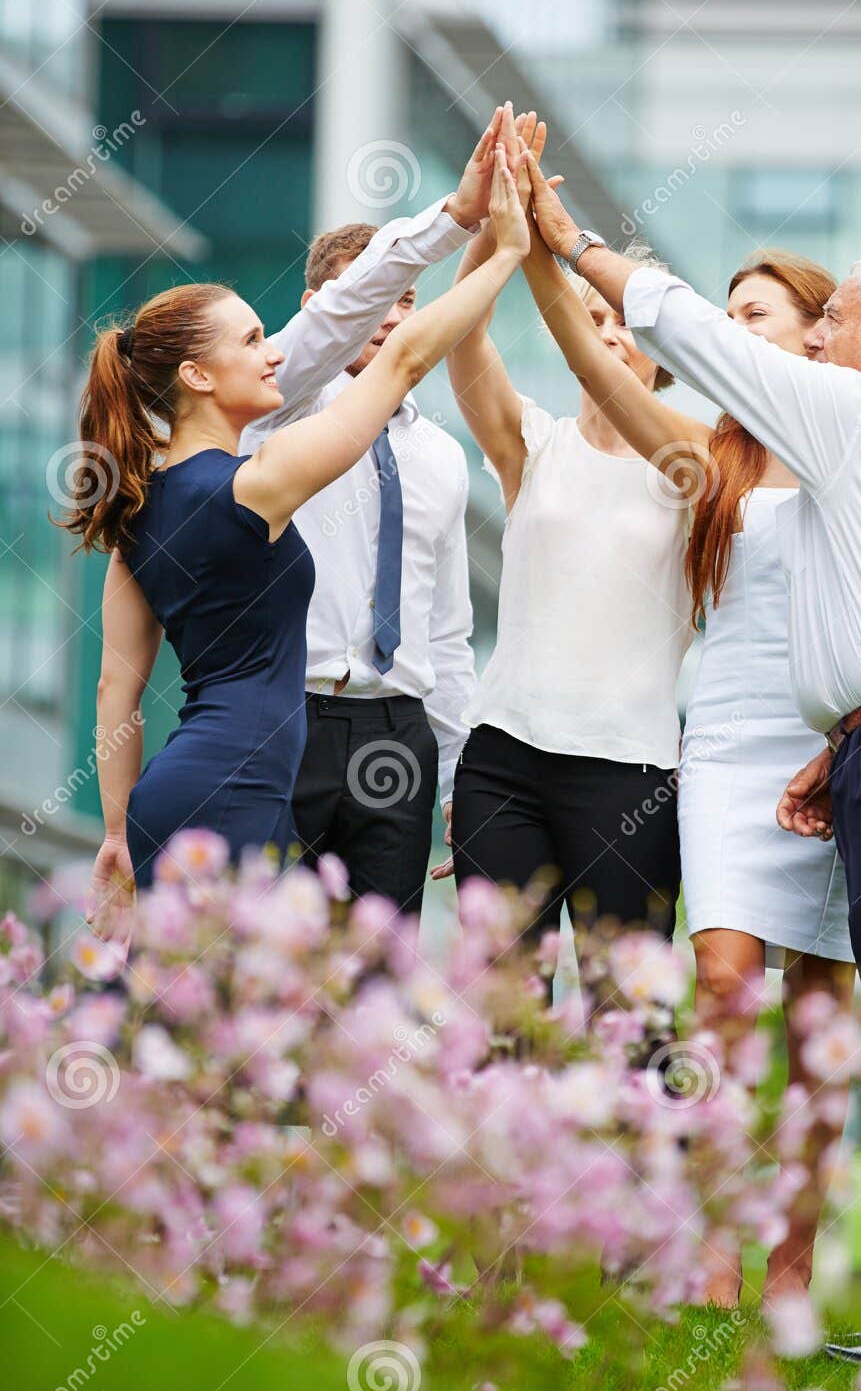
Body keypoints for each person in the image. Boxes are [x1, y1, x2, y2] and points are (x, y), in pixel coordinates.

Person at [526, 154, 861, 1375]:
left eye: (837, 319)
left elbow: (689, 332)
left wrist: (569, 236)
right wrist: (848, 733)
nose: (820, 338)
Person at [68, 144, 529, 919]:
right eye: (252, 342)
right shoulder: (260, 479)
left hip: (180, 785)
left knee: (200, 1015)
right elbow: (403, 360)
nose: (273, 352)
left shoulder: (135, 510)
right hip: (252, 780)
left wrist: (116, 827)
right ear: (198, 376)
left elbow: (118, 690)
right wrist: (502, 253)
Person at [238, 117, 508, 918]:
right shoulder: (274, 414)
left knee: (378, 969)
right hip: (289, 715)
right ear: (319, 308)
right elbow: (324, 336)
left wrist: (459, 781)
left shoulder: (442, 458)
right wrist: (460, 221)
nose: (389, 318)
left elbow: (448, 629)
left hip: (397, 733)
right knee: (270, 955)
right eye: (370, 300)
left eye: (406, 301)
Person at [444, 110, 692, 957]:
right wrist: (499, 230)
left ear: (661, 355)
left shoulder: (694, 470)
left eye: (627, 322)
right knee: (498, 1004)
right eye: (593, 316)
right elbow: (461, 335)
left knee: (629, 1013)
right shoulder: (533, 446)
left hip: (630, 769)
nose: (610, 333)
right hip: (503, 756)